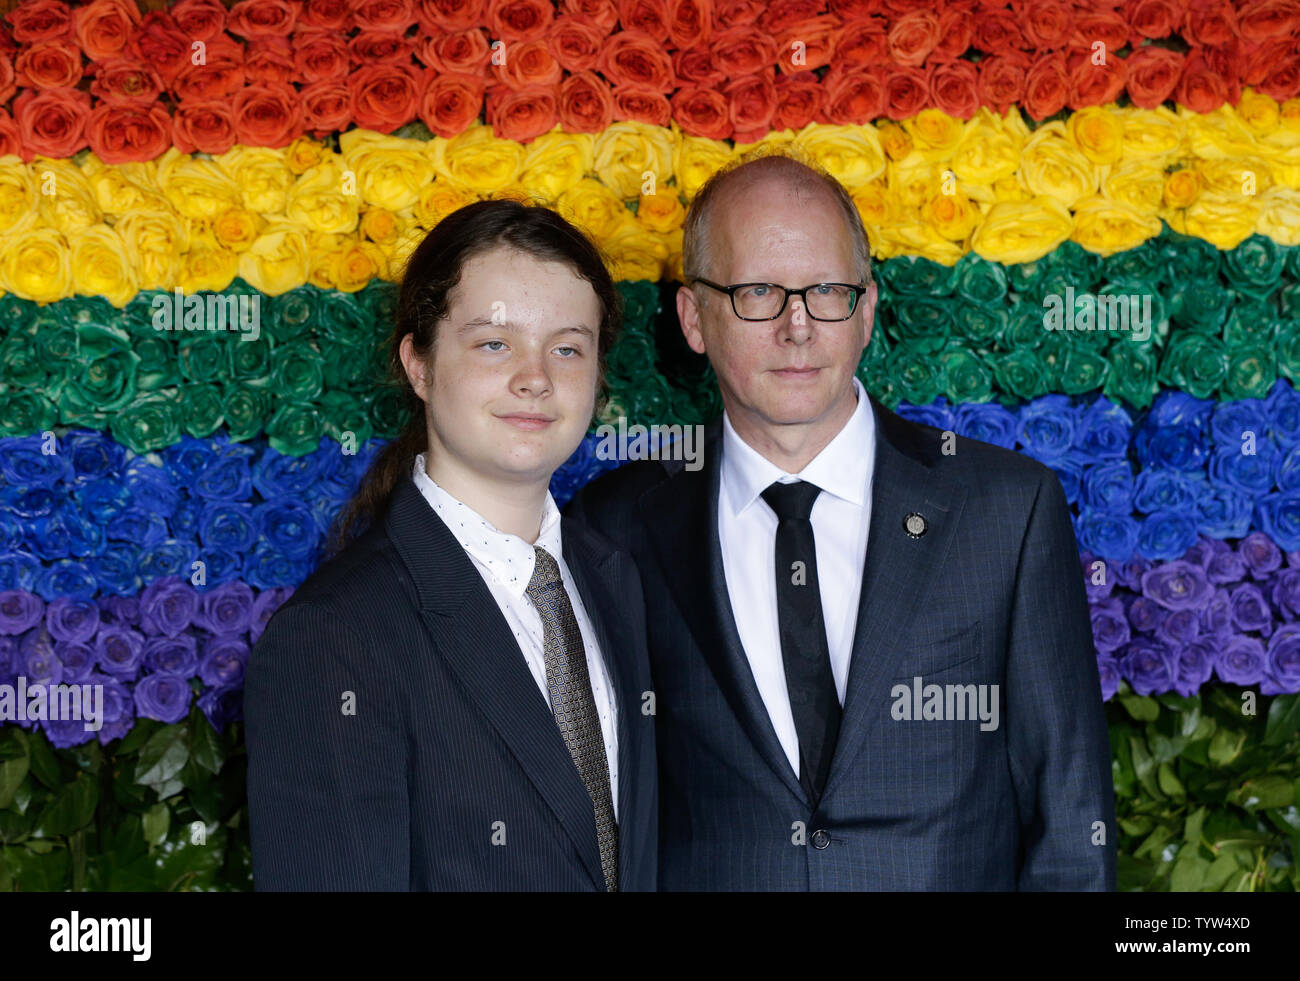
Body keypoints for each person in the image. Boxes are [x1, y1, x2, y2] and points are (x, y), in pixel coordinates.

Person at [566, 153, 1116, 890]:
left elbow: (1071, 821)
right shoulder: (615, 527)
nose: (798, 327)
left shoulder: (1004, 511)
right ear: (694, 318)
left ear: (866, 310)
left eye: (826, 290)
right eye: (758, 291)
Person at [245, 199, 656, 891]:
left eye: (567, 346)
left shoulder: (617, 579)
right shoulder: (334, 636)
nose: (536, 377)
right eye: (494, 343)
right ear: (420, 364)